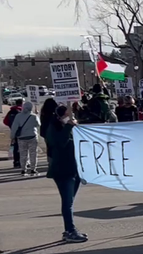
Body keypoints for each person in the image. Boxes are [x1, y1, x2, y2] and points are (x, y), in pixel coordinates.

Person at [44, 104, 86, 243]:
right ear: (60, 116)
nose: (71, 117)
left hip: (74, 170)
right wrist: (68, 126)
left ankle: (69, 229)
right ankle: (70, 230)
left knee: (70, 201)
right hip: (62, 170)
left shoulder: (71, 129)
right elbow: (60, 143)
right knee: (67, 202)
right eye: (68, 115)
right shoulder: (53, 129)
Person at [9, 101, 40, 176]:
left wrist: (12, 137)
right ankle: (33, 169)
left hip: (21, 137)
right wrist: (36, 114)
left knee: (23, 154)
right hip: (32, 136)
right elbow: (38, 124)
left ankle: (23, 169)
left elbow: (14, 127)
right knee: (33, 153)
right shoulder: (33, 116)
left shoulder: (18, 116)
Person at [3, 98, 24, 168]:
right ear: (21, 104)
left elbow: (5, 121)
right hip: (21, 132)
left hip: (14, 132)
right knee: (23, 147)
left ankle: (16, 161)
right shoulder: (21, 111)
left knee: (15, 147)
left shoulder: (11, 111)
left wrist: (11, 126)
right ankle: (22, 161)